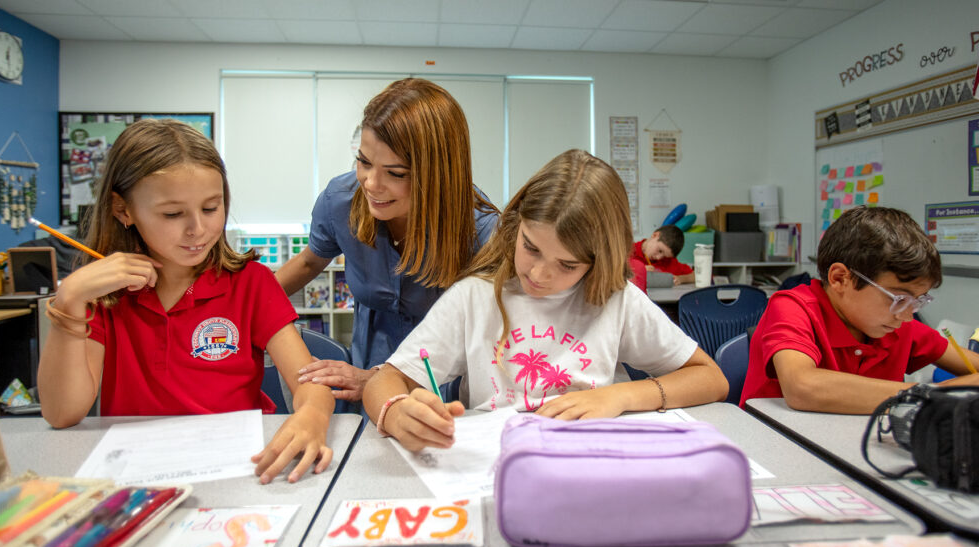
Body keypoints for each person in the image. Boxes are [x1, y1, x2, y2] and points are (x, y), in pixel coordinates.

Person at [362, 149, 728, 452]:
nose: (538, 274)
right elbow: (384, 381)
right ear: (516, 225)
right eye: (530, 248)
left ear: (599, 260)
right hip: (498, 462)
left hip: (598, 460)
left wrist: (619, 397)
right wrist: (396, 413)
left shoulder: (617, 301)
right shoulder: (475, 297)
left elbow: (710, 378)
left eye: (567, 265)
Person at [36, 119, 335, 484]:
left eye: (211, 208)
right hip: (139, 476)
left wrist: (313, 415)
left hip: (237, 472)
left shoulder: (250, 283)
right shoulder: (104, 295)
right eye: (173, 214)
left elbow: (309, 381)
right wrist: (69, 299)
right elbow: (62, 413)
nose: (197, 229)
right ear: (122, 210)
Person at [276, 78, 499, 402]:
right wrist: (240, 306)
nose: (371, 183)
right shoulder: (340, 200)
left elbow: (488, 335)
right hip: (368, 356)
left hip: (442, 381)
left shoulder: (480, 230)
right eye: (364, 162)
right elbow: (309, 261)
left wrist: (381, 380)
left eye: (395, 173)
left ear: (436, 173)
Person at [740, 206, 979, 413]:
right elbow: (802, 387)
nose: (907, 315)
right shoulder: (794, 307)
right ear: (840, 278)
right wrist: (934, 393)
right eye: (899, 298)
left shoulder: (897, 324)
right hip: (782, 447)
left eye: (918, 301)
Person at [628, 224, 694, 292]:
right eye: (660, 250)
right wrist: (639, 269)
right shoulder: (627, 251)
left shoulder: (669, 261)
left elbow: (695, 276)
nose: (658, 258)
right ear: (655, 235)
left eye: (664, 256)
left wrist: (681, 279)